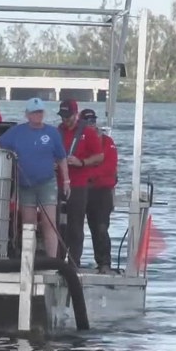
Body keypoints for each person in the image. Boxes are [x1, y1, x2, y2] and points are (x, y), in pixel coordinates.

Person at [0, 97, 69, 261]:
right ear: (27, 114)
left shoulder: (52, 133)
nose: (37, 115)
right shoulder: (17, 131)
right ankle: (28, 260)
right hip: (25, 186)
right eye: (34, 112)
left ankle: (52, 261)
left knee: (49, 223)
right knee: (28, 225)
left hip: (47, 183)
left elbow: (62, 157)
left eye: (39, 112)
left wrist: (66, 180)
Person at [56, 98, 103, 269]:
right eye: (62, 116)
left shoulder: (88, 133)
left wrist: (81, 162)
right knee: (57, 224)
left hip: (78, 183)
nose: (65, 120)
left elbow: (99, 156)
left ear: (76, 115)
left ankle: (74, 261)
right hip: (58, 182)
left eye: (68, 116)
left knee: (75, 224)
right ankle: (57, 259)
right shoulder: (57, 131)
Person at [80, 108, 118, 274]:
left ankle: (104, 263)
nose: (91, 125)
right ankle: (71, 260)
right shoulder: (77, 141)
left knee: (100, 228)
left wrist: (89, 171)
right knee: (72, 227)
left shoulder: (107, 141)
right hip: (80, 188)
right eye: (87, 122)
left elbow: (109, 166)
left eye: (92, 121)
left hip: (101, 190)